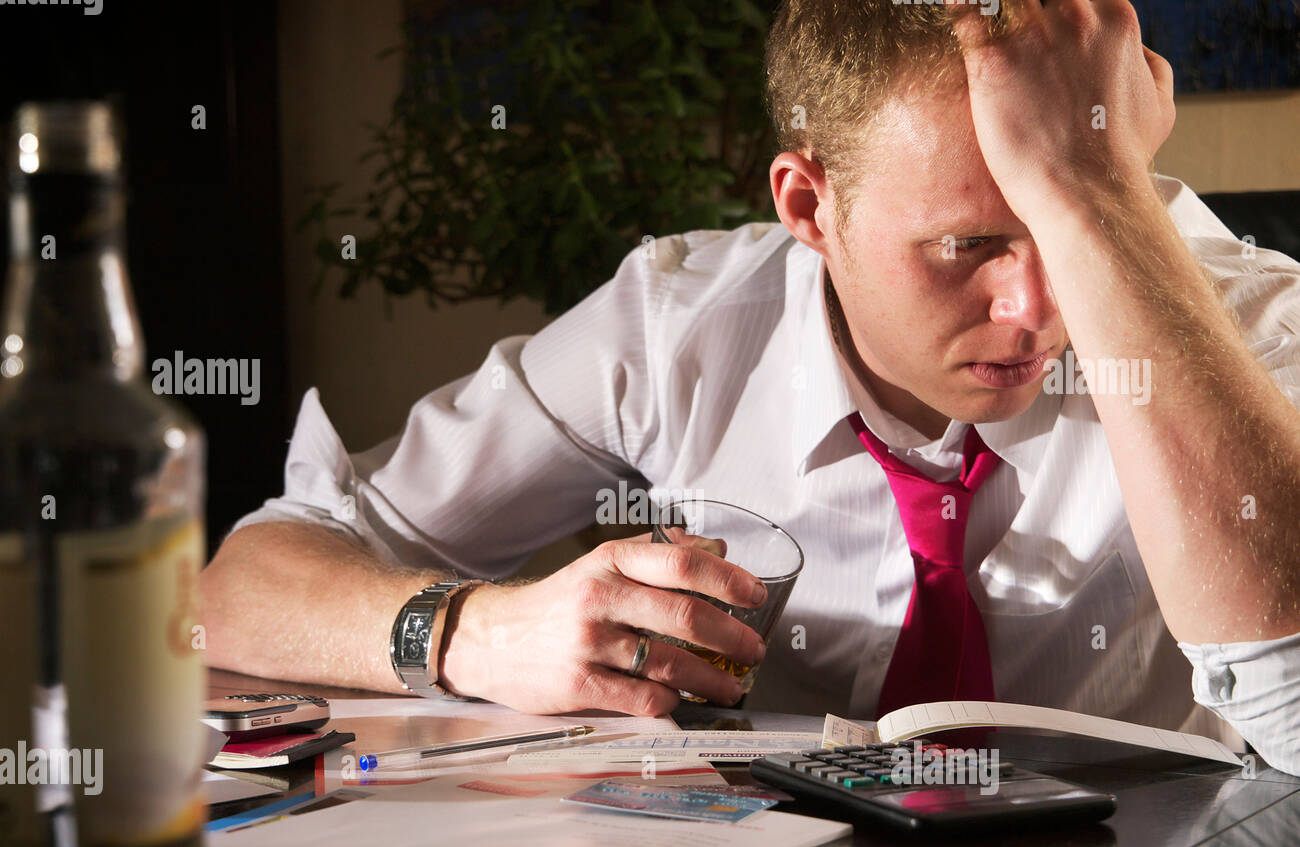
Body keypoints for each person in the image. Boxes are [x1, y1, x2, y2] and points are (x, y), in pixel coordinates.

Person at [200, 1, 1300, 773]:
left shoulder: (1244, 317)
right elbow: (233, 594)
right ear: (808, 206)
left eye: (1068, 220)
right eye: (967, 244)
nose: (1031, 307)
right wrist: (474, 633)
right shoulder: (674, 323)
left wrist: (1096, 195)